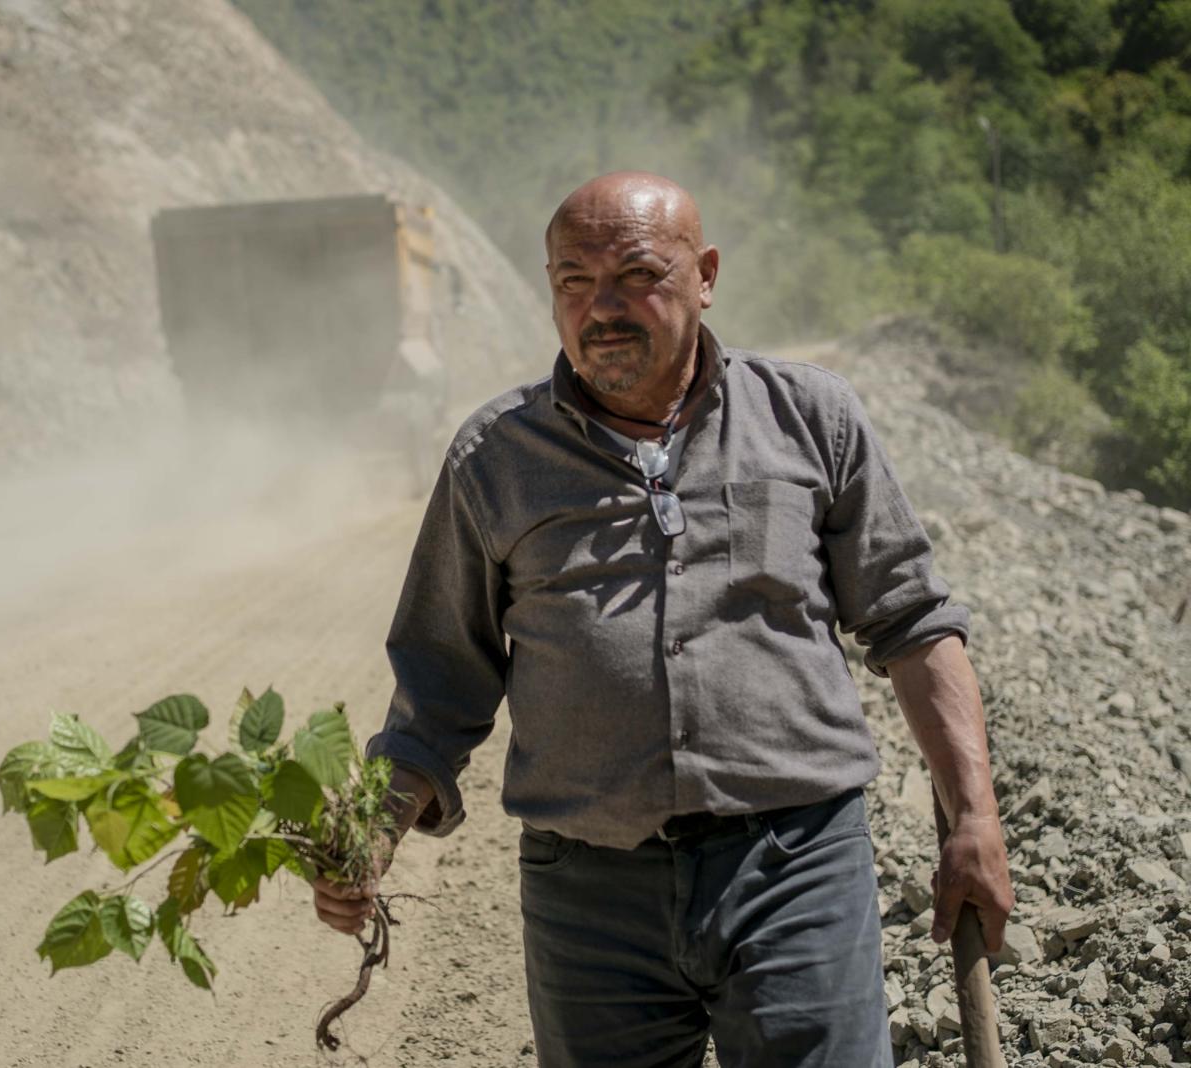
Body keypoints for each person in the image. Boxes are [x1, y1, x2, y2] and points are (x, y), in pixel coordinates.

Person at [312, 172, 1013, 1067]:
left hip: (794, 866)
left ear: (705, 274)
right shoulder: (496, 457)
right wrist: (370, 833)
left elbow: (912, 622)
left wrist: (974, 819)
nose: (601, 308)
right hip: (588, 899)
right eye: (574, 281)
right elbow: (438, 685)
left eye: (636, 275)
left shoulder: (809, 418)